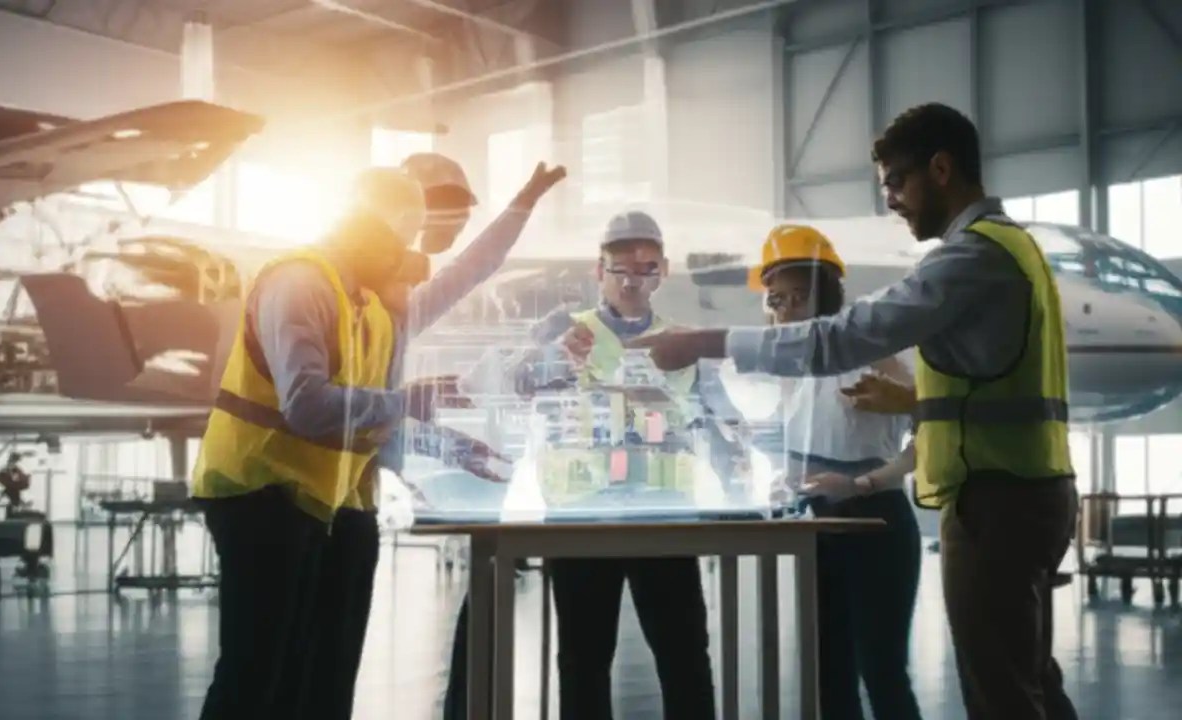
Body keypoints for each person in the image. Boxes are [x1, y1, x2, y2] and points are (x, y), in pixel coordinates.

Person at [629, 102, 1079, 720]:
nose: (891, 198)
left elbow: (834, 340)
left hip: (995, 500)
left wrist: (705, 342)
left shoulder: (971, 258)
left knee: (998, 691)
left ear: (941, 169)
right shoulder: (1014, 247)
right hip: (1024, 489)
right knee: (1026, 680)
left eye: (897, 181)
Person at [193, 160, 565, 720]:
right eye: (406, 237)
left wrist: (454, 449)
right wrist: (410, 402)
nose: (413, 255)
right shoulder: (299, 285)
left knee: (329, 671)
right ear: (368, 227)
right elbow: (310, 408)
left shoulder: (378, 310)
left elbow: (470, 272)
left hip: (337, 502)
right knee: (259, 673)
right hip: (261, 494)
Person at [445, 210, 736, 720]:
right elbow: (490, 382)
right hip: (580, 519)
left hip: (664, 517)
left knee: (685, 657)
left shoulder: (685, 342)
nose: (632, 279)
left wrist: (742, 486)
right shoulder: (562, 332)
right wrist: (551, 358)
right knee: (582, 661)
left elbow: (724, 422)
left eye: (646, 268)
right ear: (597, 270)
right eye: (620, 267)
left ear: (663, 271)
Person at [749, 224, 924, 720]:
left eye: (796, 297)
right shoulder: (792, 366)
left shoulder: (868, 351)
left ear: (825, 290)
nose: (784, 310)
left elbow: (928, 438)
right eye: (775, 300)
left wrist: (861, 483)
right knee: (829, 674)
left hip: (876, 522)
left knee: (883, 672)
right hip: (817, 528)